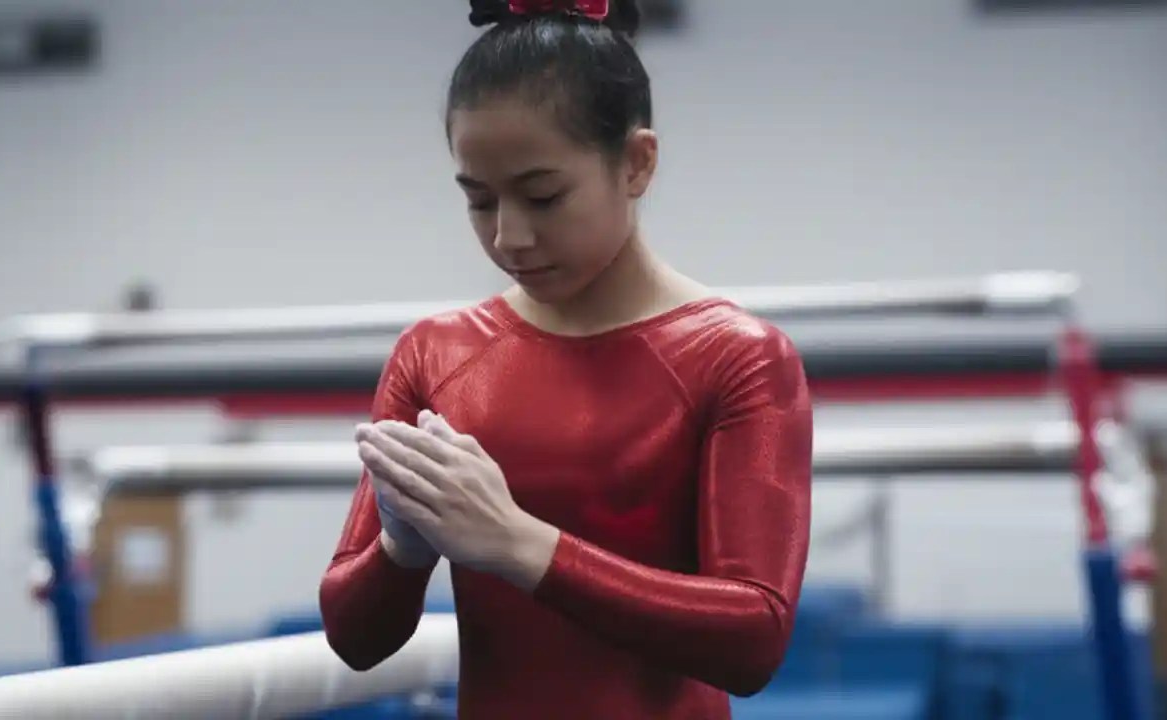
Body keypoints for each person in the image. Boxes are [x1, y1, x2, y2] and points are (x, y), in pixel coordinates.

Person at [319, 1, 813, 717]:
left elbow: (754, 638)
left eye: (543, 197)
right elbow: (353, 637)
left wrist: (520, 544)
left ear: (637, 163)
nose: (509, 236)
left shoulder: (736, 358)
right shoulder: (434, 356)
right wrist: (402, 552)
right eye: (479, 202)